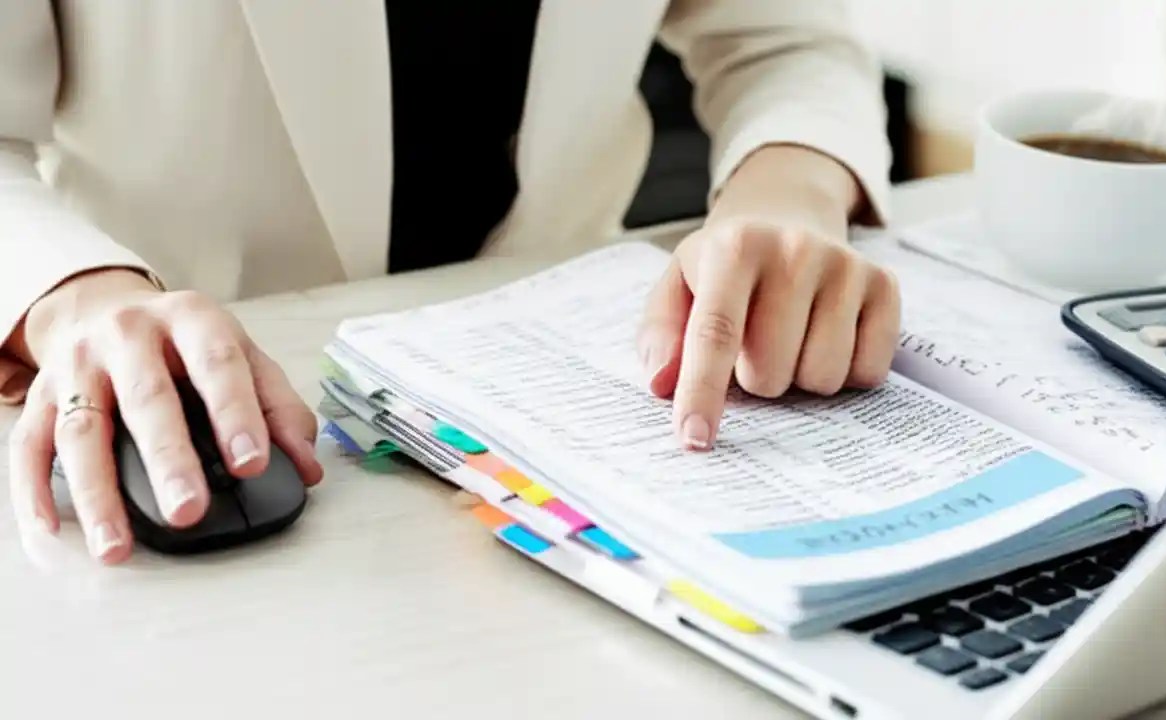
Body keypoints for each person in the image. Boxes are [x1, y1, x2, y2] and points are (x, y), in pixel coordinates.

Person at [0, 2, 900, 564]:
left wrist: (790, 189)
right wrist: (74, 293)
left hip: (574, 378)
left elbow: (787, 39)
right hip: (193, 373)